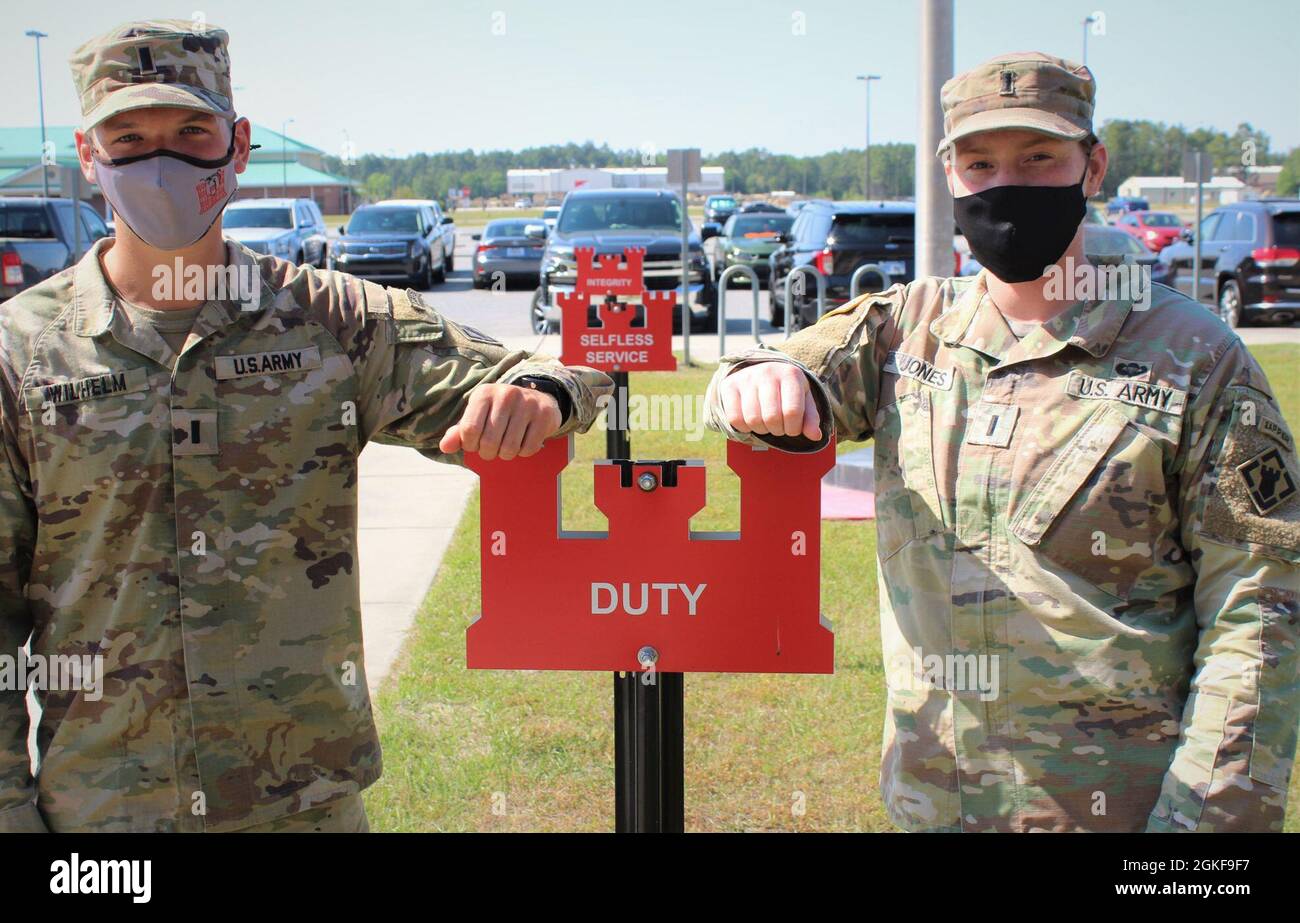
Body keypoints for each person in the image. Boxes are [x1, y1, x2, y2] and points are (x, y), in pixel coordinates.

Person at [0, 19, 612, 832]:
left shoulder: (328, 319)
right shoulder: (22, 354)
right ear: (89, 155)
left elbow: (548, 374)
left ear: (238, 145)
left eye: (191, 132)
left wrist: (538, 394)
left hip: (301, 806)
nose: (162, 161)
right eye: (129, 137)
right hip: (108, 817)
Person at [705, 51, 1300, 832]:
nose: (1006, 184)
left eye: (1040, 158)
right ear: (950, 173)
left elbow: (1259, 618)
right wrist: (754, 380)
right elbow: (764, 377)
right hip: (933, 807)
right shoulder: (905, 329)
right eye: (981, 162)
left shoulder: (1196, 357)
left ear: (1094, 167)